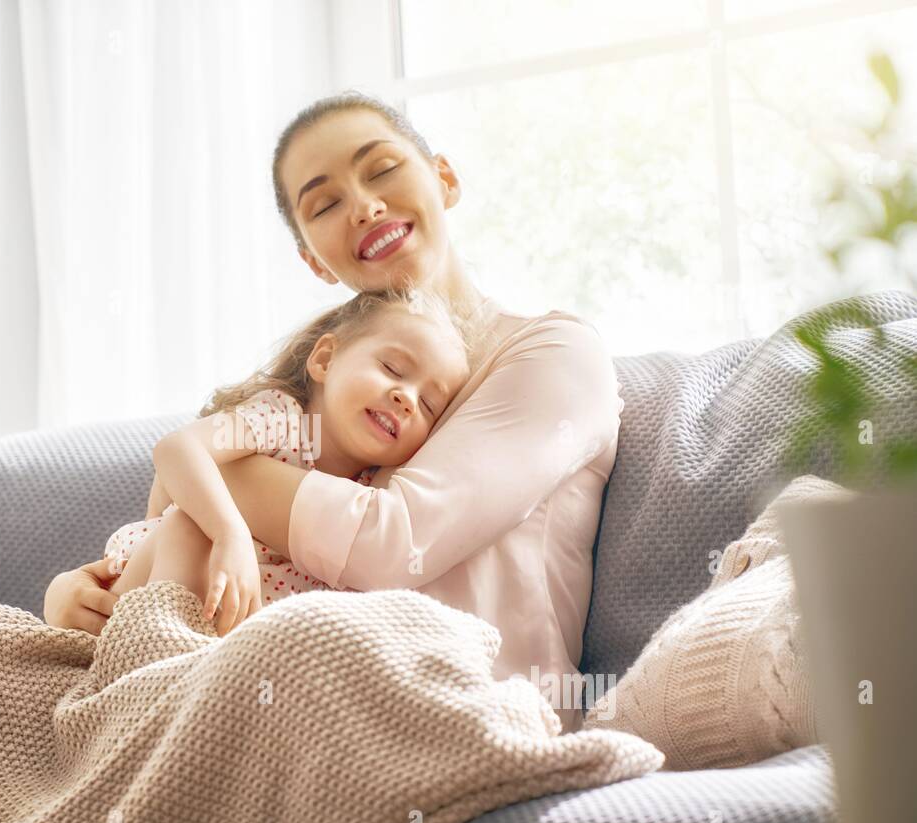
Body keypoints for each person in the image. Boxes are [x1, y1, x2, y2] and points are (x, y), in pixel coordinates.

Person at [44, 91, 625, 734]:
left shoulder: (552, 352)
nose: (364, 206)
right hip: (285, 702)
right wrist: (84, 597)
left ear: (445, 177)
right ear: (314, 261)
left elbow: (390, 542)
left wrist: (211, 470)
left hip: (473, 711)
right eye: (324, 204)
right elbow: (169, 527)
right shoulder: (314, 392)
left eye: (380, 169)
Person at [102, 286, 474, 637]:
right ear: (326, 359)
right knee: (190, 529)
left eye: (428, 405)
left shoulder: (374, 494)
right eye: (393, 369)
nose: (407, 398)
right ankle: (157, 662)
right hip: (158, 587)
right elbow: (178, 448)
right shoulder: (281, 419)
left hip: (236, 635)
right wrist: (229, 533)